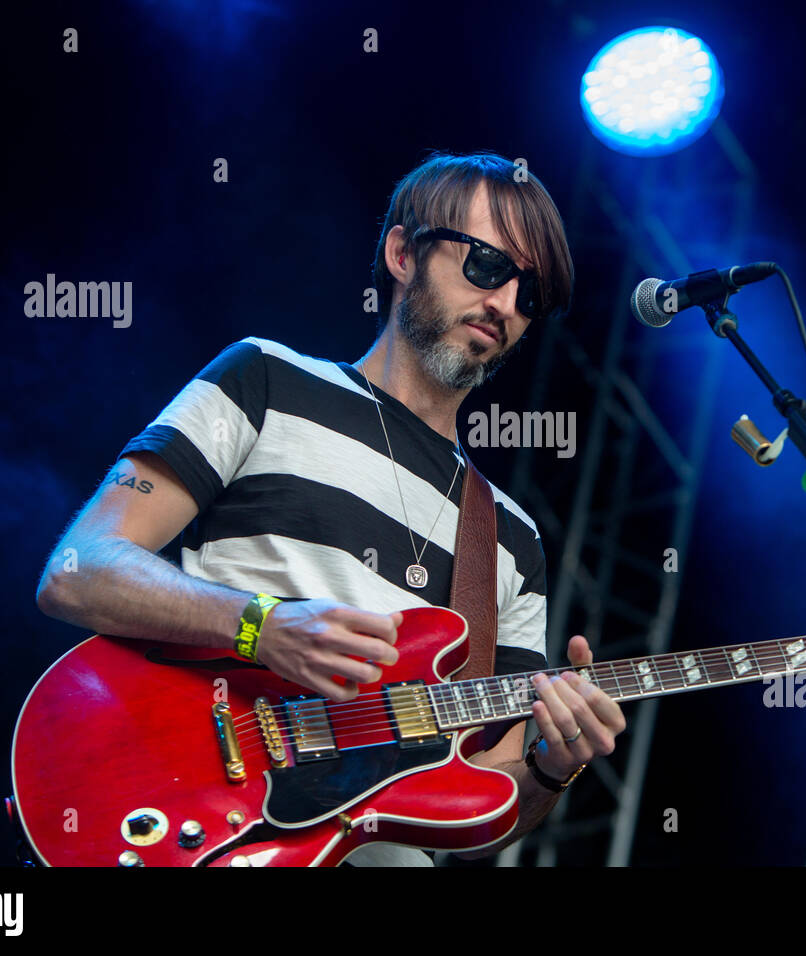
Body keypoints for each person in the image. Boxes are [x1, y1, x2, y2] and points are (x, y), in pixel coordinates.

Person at [35, 150, 627, 866]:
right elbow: (80, 569)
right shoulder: (266, 377)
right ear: (404, 251)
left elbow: (485, 804)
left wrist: (549, 768)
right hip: (193, 814)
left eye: (530, 295)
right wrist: (261, 627)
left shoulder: (511, 538)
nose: (504, 304)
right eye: (485, 265)